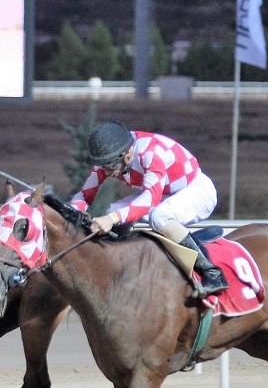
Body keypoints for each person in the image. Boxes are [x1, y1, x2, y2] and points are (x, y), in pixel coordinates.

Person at [71, 120, 228, 296]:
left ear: (128, 153)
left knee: (159, 217)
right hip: (164, 193)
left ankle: (212, 273)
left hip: (196, 190)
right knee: (112, 209)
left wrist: (112, 219)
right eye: (103, 166)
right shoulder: (109, 158)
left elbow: (149, 200)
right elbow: (85, 195)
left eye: (110, 167)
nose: (107, 172)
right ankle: (118, 270)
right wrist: (72, 213)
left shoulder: (150, 153)